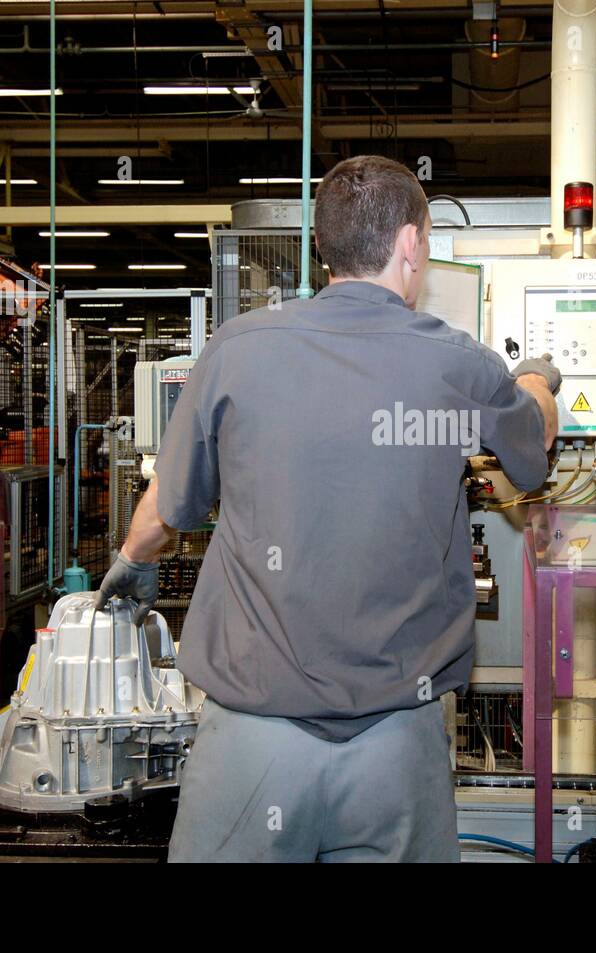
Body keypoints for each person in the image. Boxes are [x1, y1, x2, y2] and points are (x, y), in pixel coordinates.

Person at [94, 154, 560, 862]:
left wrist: (128, 561)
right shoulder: (459, 363)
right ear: (409, 243)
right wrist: (538, 379)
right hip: (395, 746)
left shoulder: (236, 347)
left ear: (323, 246)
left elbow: (170, 505)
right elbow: (533, 447)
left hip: (251, 745)